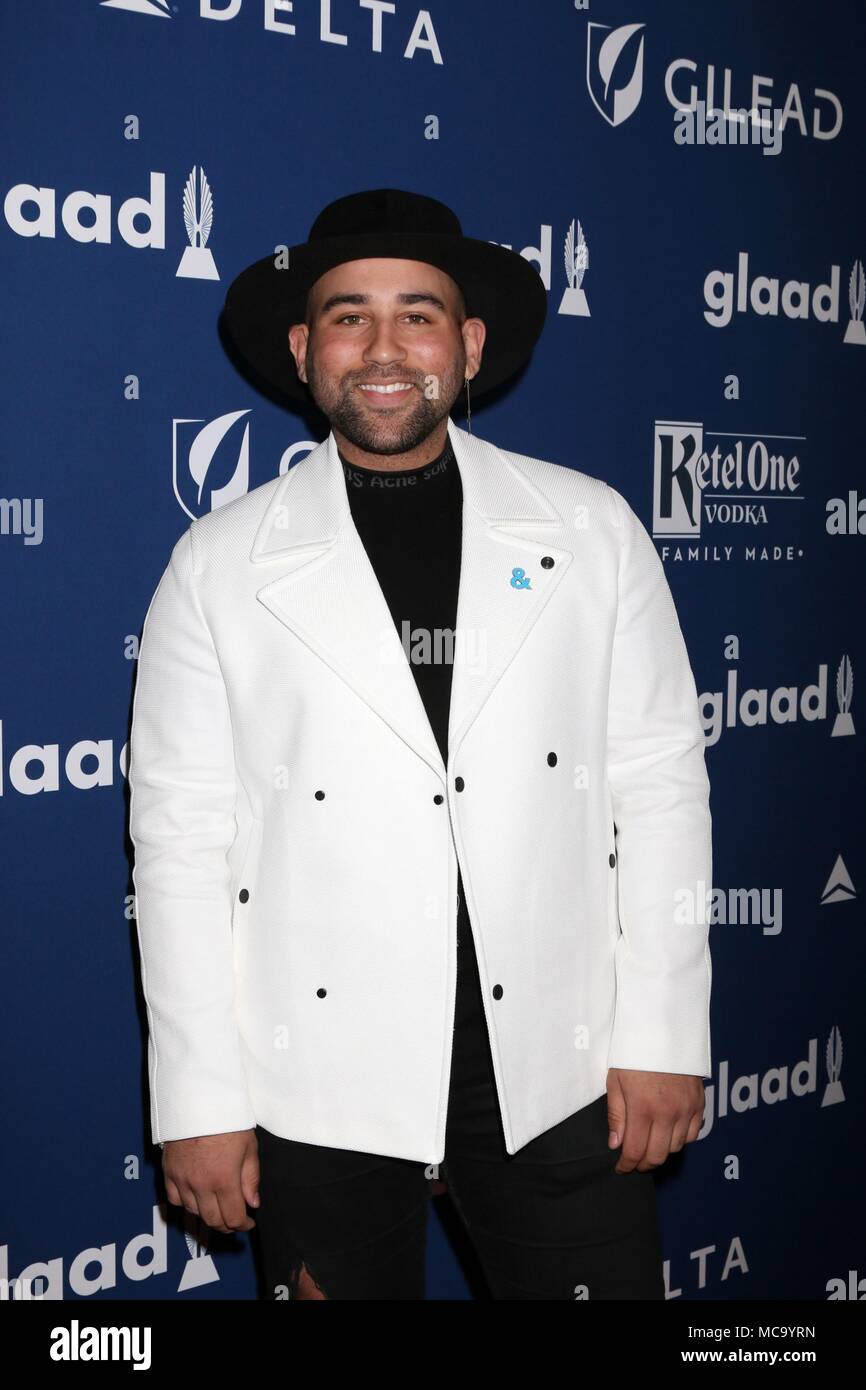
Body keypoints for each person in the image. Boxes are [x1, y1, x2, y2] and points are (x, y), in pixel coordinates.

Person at [128, 187, 713, 1300]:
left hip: (557, 1060)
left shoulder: (588, 529)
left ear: (469, 344)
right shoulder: (216, 563)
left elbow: (657, 788)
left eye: (418, 314)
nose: (383, 349)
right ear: (305, 350)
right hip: (317, 1073)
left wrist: (662, 1026)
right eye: (348, 317)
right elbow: (180, 841)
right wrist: (200, 1101)